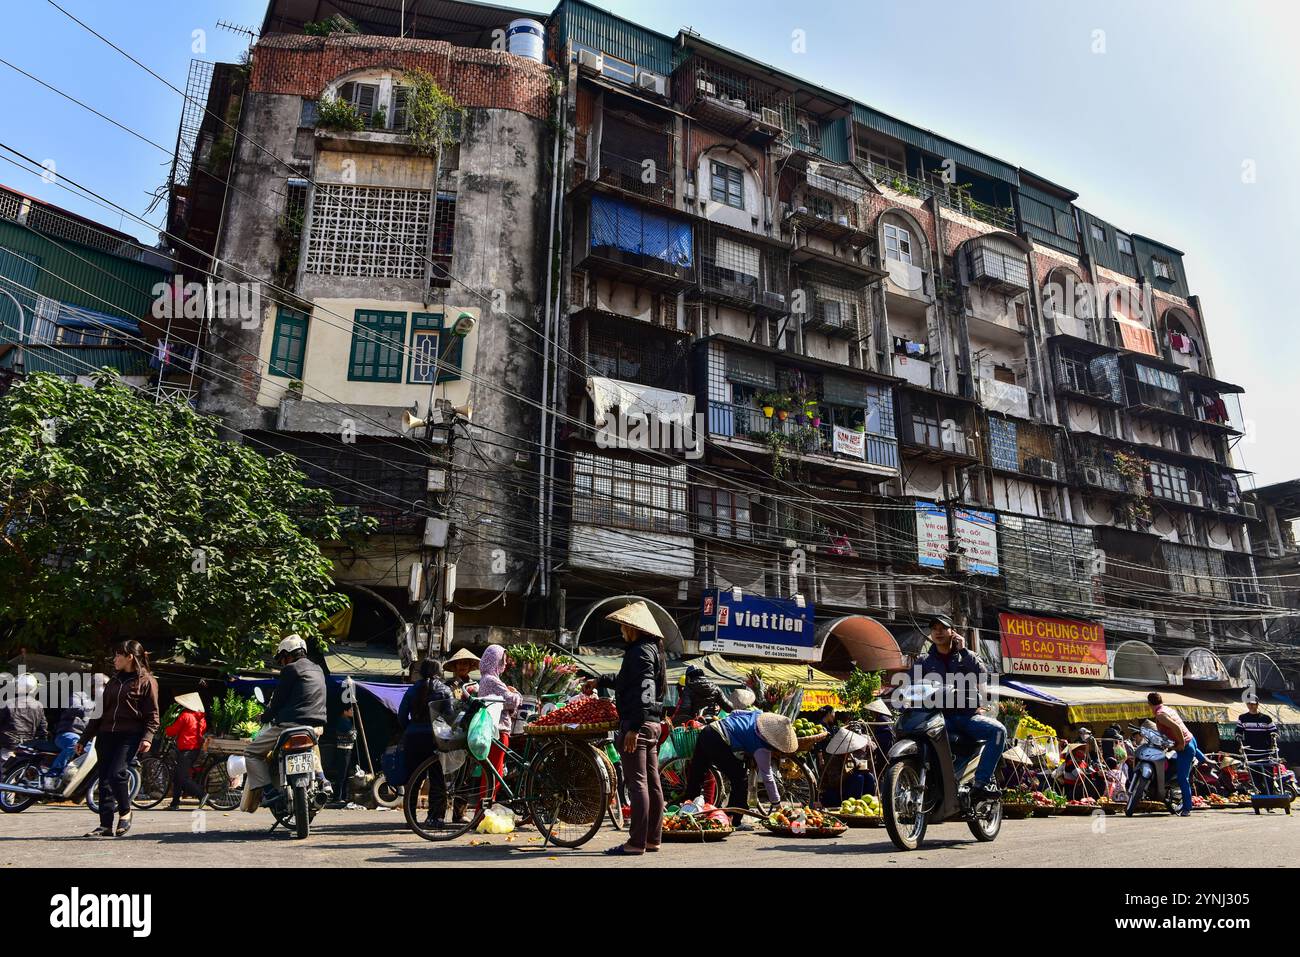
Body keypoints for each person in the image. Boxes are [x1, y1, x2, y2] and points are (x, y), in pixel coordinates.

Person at [581, 601, 668, 857]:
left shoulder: (639, 651)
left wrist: (633, 727)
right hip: (653, 724)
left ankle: (636, 842)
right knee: (652, 783)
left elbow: (645, 689)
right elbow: (628, 681)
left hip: (640, 726)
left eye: (623, 626)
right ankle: (652, 839)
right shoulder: (651, 650)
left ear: (633, 627)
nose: (620, 630)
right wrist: (601, 680)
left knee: (637, 783)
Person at [915, 615, 1004, 800]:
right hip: (936, 718)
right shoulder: (923, 662)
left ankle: (981, 783)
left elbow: (982, 675)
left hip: (966, 718)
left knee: (999, 731)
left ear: (953, 632)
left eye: (943, 628)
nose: (938, 632)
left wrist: (964, 651)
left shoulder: (967, 656)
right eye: (934, 628)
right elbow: (911, 687)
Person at [77, 642, 159, 837]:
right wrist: (84, 738)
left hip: (129, 736)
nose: (114, 660)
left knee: (116, 774)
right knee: (104, 779)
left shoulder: (147, 682)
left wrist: (148, 737)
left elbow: (153, 715)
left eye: (117, 656)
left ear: (130, 656)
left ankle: (125, 811)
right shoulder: (113, 682)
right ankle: (105, 825)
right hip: (105, 735)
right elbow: (99, 713)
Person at [240, 635, 327, 813]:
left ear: (288, 654)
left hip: (290, 725)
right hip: (315, 726)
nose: (282, 663)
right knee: (314, 749)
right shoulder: (318, 669)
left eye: (282, 659)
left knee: (251, 752)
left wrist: (265, 717)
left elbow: (278, 701)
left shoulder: (291, 669)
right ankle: (323, 780)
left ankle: (269, 791)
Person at [683, 709, 798, 829]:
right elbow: (767, 776)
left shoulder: (757, 714)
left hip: (709, 729)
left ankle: (686, 812)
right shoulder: (761, 747)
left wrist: (739, 732)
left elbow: (734, 713)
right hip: (718, 740)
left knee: (697, 774)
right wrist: (777, 804)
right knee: (739, 779)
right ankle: (734, 820)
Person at [398, 659, 454, 825]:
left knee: (413, 779)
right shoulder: (445, 690)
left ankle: (411, 818)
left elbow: (401, 716)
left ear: (421, 671)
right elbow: (450, 717)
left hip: (413, 738)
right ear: (439, 671)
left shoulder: (412, 690)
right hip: (435, 740)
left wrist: (411, 728)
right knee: (437, 779)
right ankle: (435, 818)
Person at [473, 645, 520, 806]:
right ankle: (484, 810)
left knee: (491, 772)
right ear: (495, 661)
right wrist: (516, 693)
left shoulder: (486, 679)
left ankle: (483, 808)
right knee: (494, 773)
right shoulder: (492, 680)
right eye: (503, 661)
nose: (505, 664)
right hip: (498, 732)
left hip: (492, 731)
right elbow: (511, 701)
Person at [1147, 692, 1196, 816]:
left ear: (1149, 704)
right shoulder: (1167, 709)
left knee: (1182, 778)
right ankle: (1206, 760)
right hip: (1191, 740)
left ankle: (1187, 808)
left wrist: (1181, 744)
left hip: (1186, 746)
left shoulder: (1160, 715)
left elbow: (1176, 727)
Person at [164, 692, 208, 810]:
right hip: (195, 749)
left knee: (182, 777)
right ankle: (175, 803)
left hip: (186, 749)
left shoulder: (185, 715)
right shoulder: (201, 717)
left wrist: (165, 730)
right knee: (178, 775)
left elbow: (173, 730)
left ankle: (201, 794)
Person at [1236, 693, 1280, 795]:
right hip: (1251, 752)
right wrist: (1238, 736)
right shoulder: (1242, 718)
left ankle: (1271, 798)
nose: (1251, 706)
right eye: (1249, 704)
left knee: (1269, 776)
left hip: (1265, 752)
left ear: (1257, 704)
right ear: (1247, 705)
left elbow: (1274, 731)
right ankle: (1262, 796)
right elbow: (1238, 730)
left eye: (1253, 704)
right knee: (1255, 777)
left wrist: (1274, 735)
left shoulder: (1266, 718)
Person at [0, 673, 48, 764]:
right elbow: (43, 730)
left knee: (5, 775)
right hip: (27, 748)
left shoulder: (7, 704)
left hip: (8, 747)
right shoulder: (38, 706)